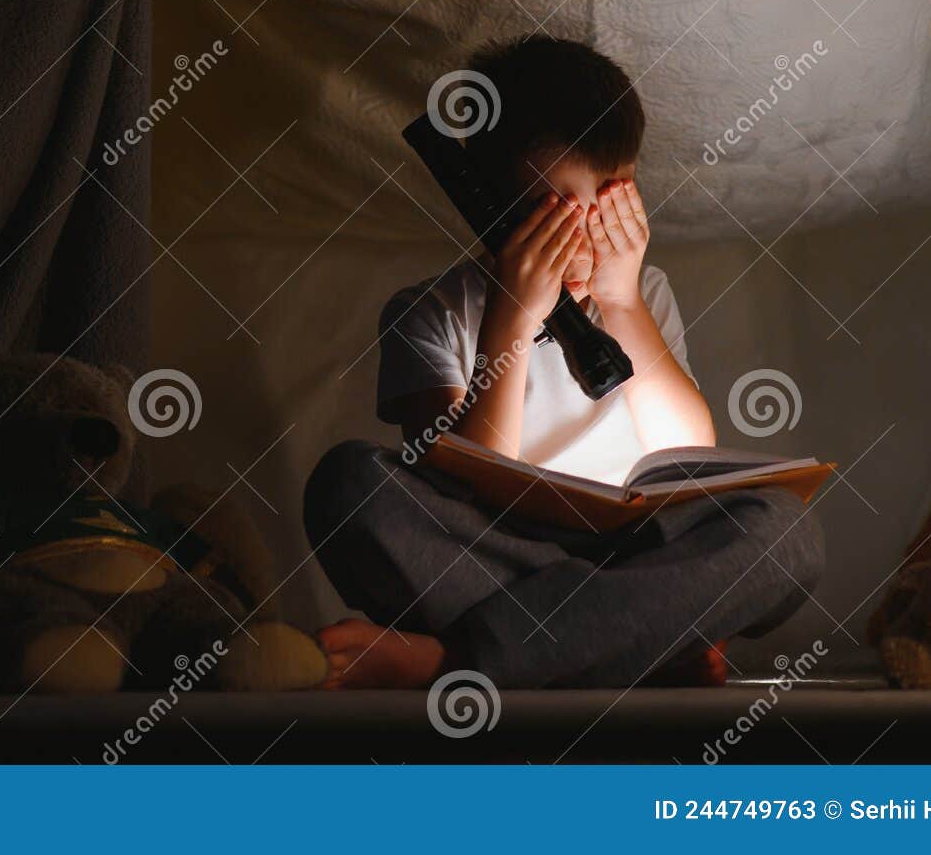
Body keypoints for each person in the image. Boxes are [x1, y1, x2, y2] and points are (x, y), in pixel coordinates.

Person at [304, 35, 825, 690]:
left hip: (629, 558)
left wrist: (622, 301)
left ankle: (456, 663)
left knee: (786, 531)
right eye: (554, 210)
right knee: (349, 487)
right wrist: (513, 321)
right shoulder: (429, 313)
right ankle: (637, 642)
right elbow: (465, 479)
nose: (585, 238)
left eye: (609, 206)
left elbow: (688, 449)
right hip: (494, 550)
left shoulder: (641, 292)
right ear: (491, 204)